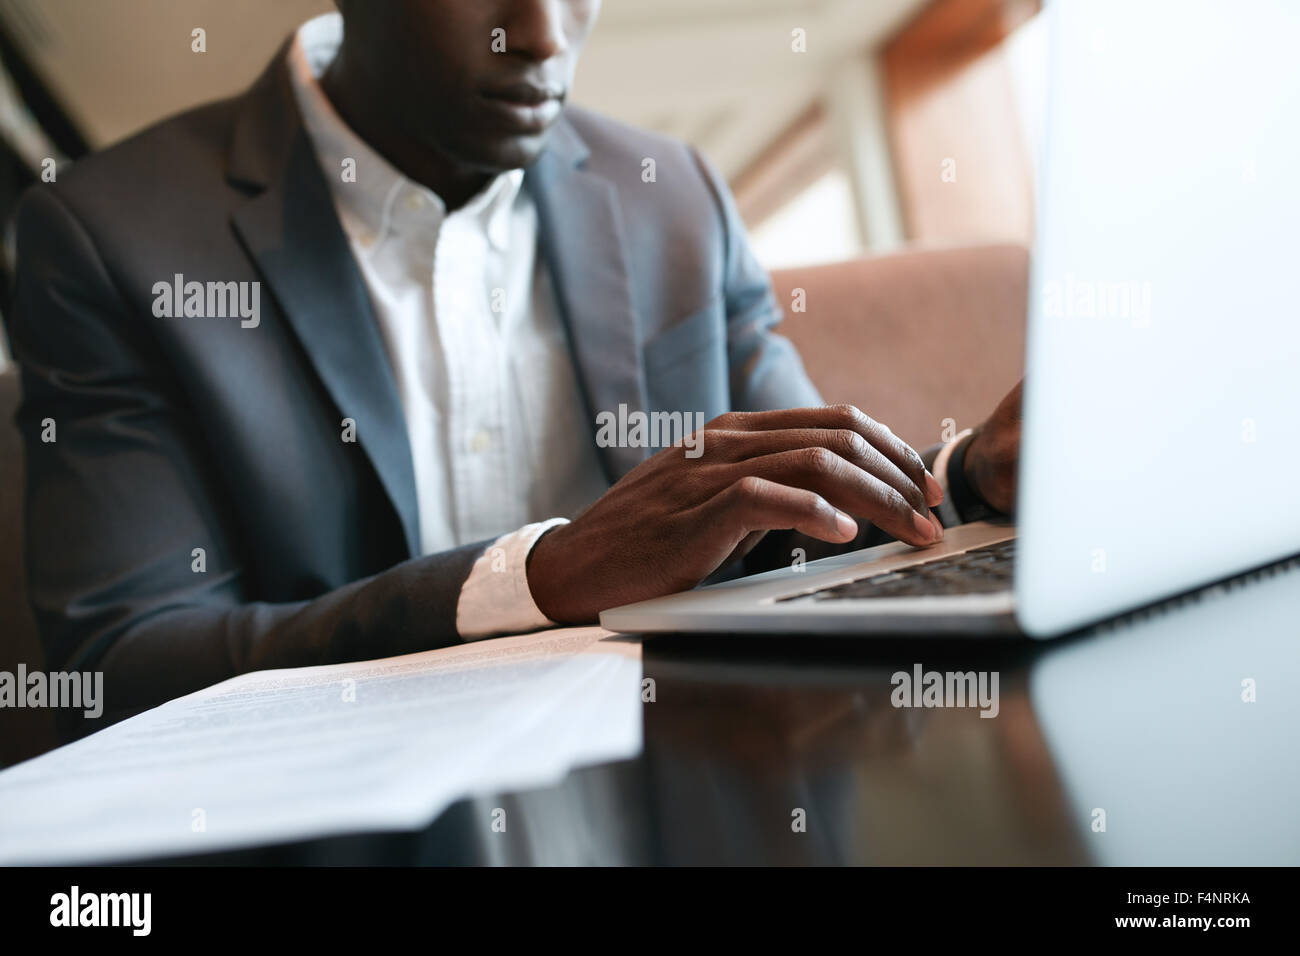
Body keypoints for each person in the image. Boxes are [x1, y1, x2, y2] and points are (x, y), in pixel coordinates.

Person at [8, 1, 1021, 730]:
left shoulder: (673, 198)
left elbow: (806, 517)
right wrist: (536, 577)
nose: (540, 33)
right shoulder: (112, 237)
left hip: (697, 780)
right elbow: (126, 665)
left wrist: (962, 475)